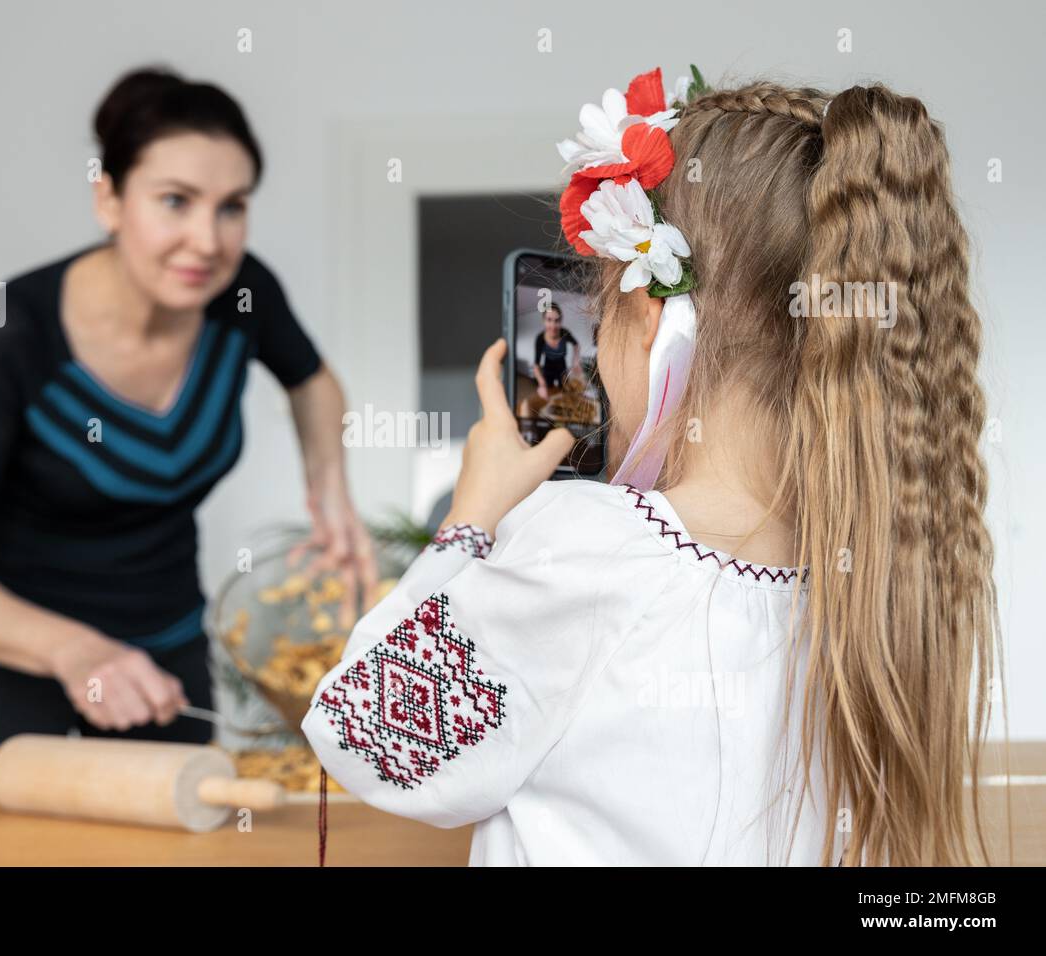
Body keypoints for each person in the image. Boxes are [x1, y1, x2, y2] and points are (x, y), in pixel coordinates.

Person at [302, 72, 1001, 866]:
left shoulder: (590, 549)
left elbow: (361, 736)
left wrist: (473, 518)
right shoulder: (883, 562)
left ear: (652, 321)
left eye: (603, 318)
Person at [0, 66, 378, 794]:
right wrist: (78, 654)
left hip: (170, 650)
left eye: (231, 207)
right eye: (175, 202)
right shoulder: (10, 332)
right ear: (109, 198)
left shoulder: (243, 294)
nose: (206, 240)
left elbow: (313, 380)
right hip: (23, 665)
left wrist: (330, 494)